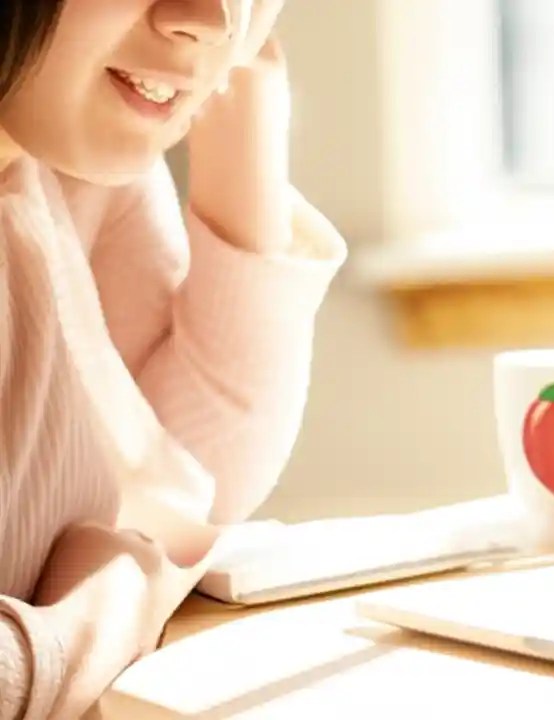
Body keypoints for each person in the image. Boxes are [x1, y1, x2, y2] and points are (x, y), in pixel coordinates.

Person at [0, 1, 345, 717]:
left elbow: (187, 488)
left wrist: (245, 116)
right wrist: (115, 592)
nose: (213, 18)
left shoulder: (54, 166)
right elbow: (156, 545)